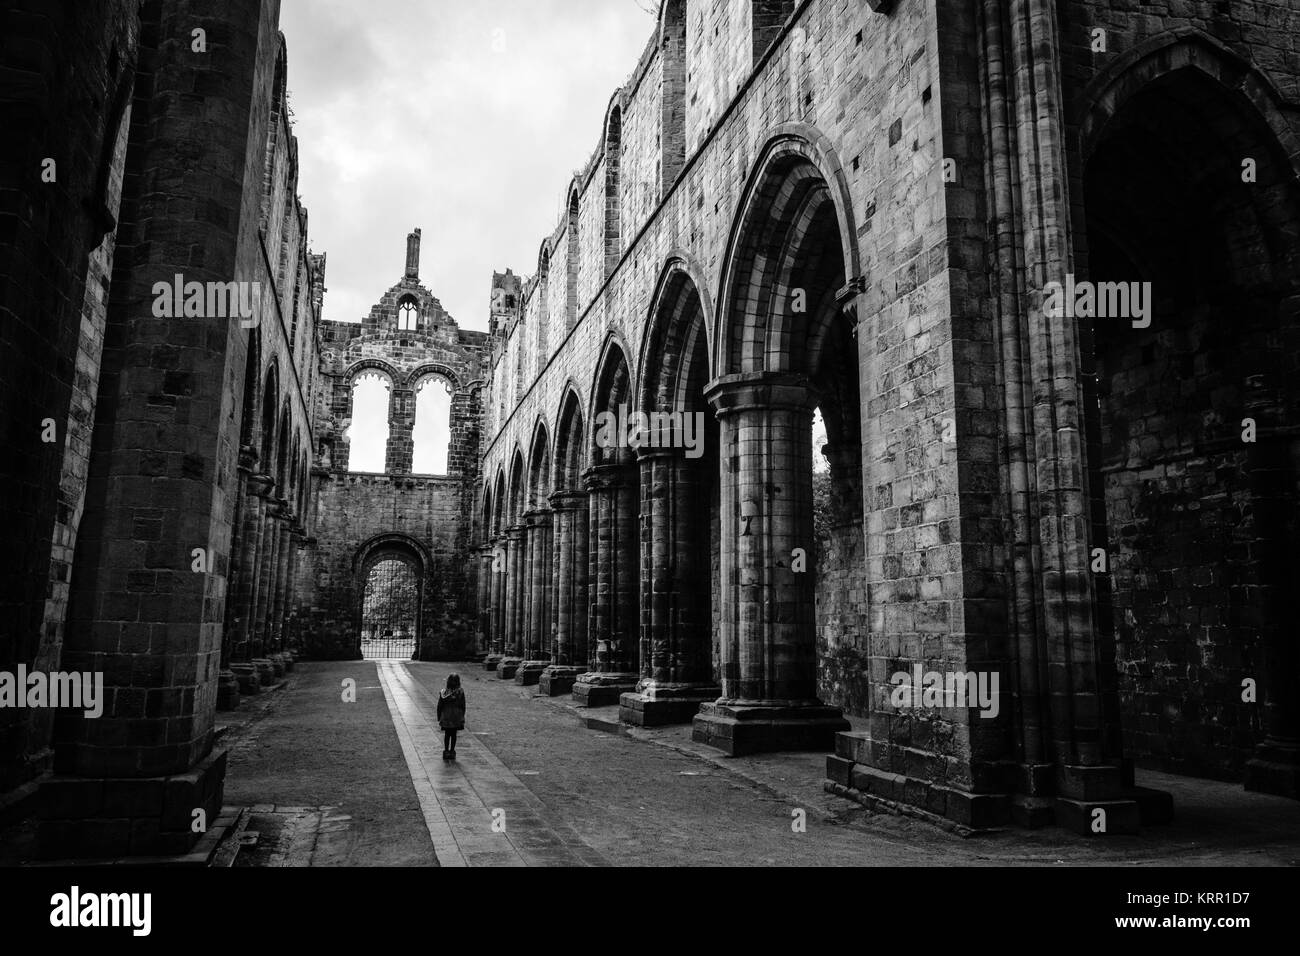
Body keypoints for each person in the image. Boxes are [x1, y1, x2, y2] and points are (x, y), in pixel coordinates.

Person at [437, 673, 466, 761]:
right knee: (454, 734)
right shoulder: (460, 692)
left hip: (446, 715)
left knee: (447, 734)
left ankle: (446, 751)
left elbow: (439, 705)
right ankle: (452, 751)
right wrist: (462, 715)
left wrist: (439, 716)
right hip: (456, 716)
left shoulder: (444, 692)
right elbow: (463, 705)